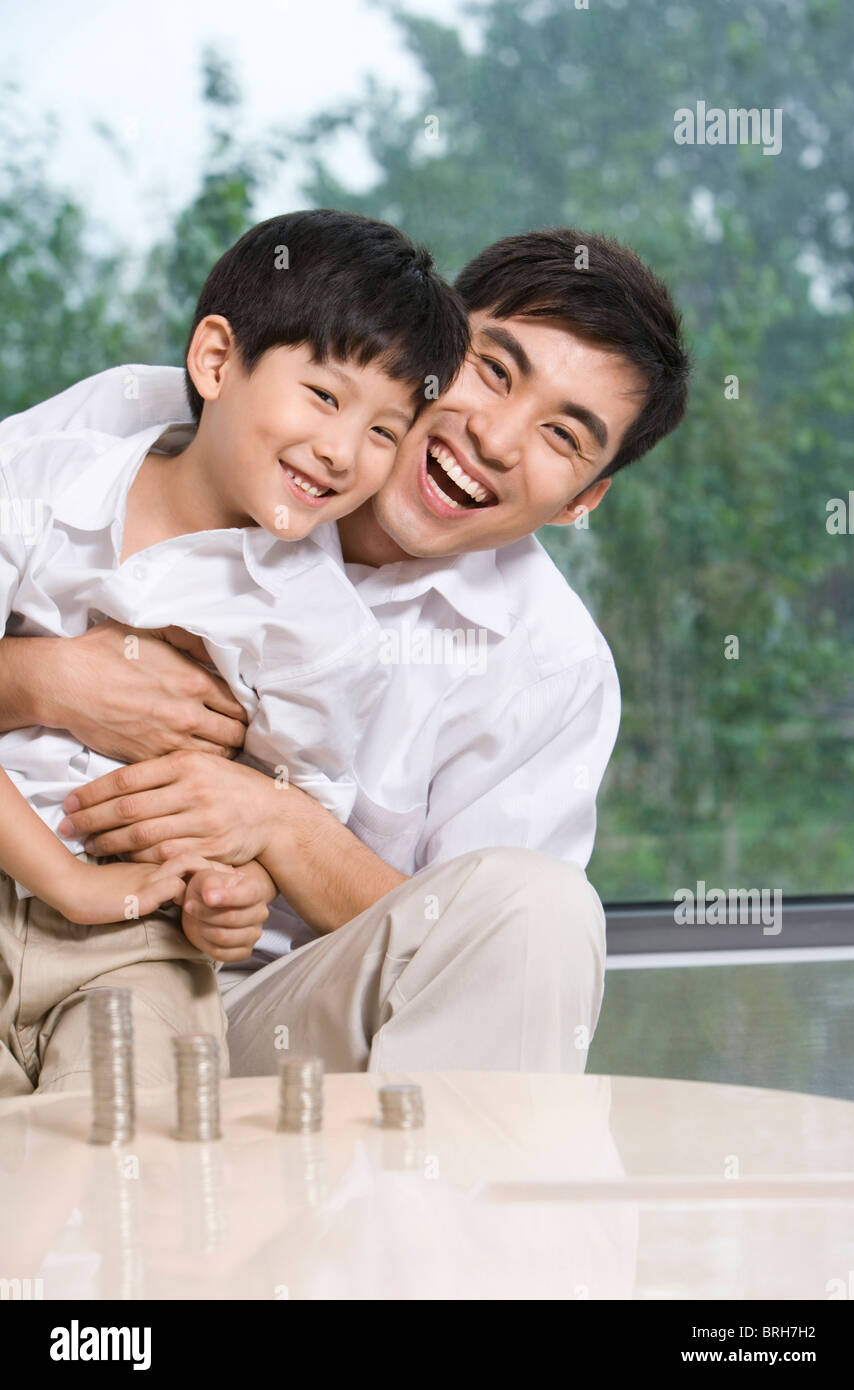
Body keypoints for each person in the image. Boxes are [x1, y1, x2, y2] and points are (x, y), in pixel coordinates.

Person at [0, 227, 690, 1077]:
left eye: (563, 437)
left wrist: (278, 823)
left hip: (256, 1008)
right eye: (495, 371)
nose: (497, 437)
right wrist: (37, 680)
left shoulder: (551, 667)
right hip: (26, 886)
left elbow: (489, 960)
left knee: (541, 909)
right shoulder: (143, 420)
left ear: (581, 501)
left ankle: (437, 1204)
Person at [0, 209, 468, 1095]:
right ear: (216, 361)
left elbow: (274, 825)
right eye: (325, 397)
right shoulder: (42, 483)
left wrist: (231, 900)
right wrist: (66, 880)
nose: (341, 452)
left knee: (130, 1148)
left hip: (137, 945)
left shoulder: (319, 632)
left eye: (384, 432)